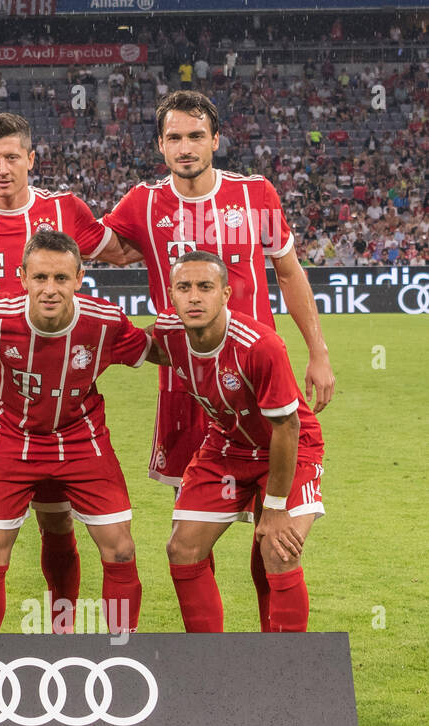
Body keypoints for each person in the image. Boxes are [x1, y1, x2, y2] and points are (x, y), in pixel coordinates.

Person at [102, 90, 334, 629]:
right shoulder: (143, 204)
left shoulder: (255, 194)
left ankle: (274, 656)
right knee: (189, 539)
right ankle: (214, 665)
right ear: (160, 145)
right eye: (175, 137)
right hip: (187, 392)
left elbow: (290, 272)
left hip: (260, 378)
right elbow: (98, 248)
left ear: (215, 140)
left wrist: (318, 351)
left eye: (196, 136)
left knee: (272, 536)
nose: (186, 147)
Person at [0, 112, 138, 629]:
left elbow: (125, 251)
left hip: (55, 398)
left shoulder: (64, 210)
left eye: (12, 157)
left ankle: (63, 628)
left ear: (31, 159)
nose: (2, 168)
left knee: (57, 519)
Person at [0, 232, 149, 634]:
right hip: (12, 441)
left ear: (79, 277)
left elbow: (153, 349)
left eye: (60, 278)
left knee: (121, 550)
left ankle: (121, 650)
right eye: (40, 278)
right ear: (22, 277)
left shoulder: (105, 322)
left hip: (81, 439)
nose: (50, 289)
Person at [149, 252, 323, 632]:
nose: (194, 297)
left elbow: (287, 428)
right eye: (184, 287)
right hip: (227, 445)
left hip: (290, 446)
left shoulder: (261, 345)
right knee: (182, 549)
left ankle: (286, 669)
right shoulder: (167, 333)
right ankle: (211, 664)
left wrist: (274, 508)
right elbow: (121, 342)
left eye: (205, 287)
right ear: (171, 295)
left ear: (226, 294)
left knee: (277, 550)